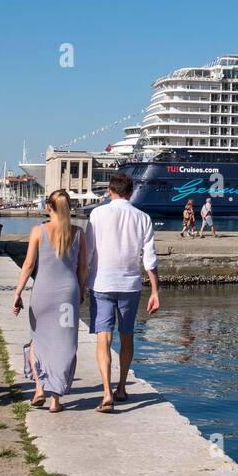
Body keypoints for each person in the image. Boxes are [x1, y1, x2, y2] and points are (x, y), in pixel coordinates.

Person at [85, 172, 160, 413]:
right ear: (131, 192)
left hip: (101, 284)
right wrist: (155, 291)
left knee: (103, 338)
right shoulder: (143, 218)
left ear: (110, 191)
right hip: (130, 286)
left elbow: (88, 253)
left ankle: (106, 392)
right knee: (127, 336)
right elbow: (150, 259)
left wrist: (80, 283)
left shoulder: (96, 214)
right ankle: (121, 388)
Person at [12, 190, 86, 413]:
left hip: (43, 293)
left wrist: (17, 292)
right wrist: (81, 292)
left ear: (48, 207)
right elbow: (83, 268)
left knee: (38, 340)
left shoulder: (38, 231)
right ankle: (56, 399)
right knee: (65, 344)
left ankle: (39, 388)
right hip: (67, 295)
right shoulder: (78, 233)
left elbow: (28, 265)